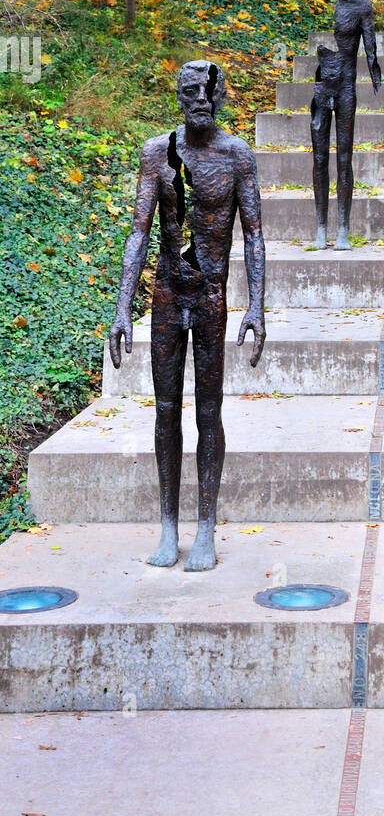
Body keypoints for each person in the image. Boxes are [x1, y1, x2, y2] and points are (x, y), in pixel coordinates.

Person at [109, 60, 265, 571]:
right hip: (168, 293)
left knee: (208, 413)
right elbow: (139, 231)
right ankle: (168, 525)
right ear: (178, 96)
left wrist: (258, 305)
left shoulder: (237, 155)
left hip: (212, 295)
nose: (200, 97)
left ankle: (205, 527)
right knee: (165, 411)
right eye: (190, 90)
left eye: (209, 89)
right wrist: (122, 307)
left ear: (222, 96)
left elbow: (255, 235)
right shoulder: (157, 153)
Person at [311, 0, 382, 249]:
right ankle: (321, 227)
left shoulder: (361, 4)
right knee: (318, 159)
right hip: (322, 86)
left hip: (346, 87)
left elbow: (370, 45)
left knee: (343, 158)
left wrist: (375, 71)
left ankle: (342, 228)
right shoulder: (328, 3)